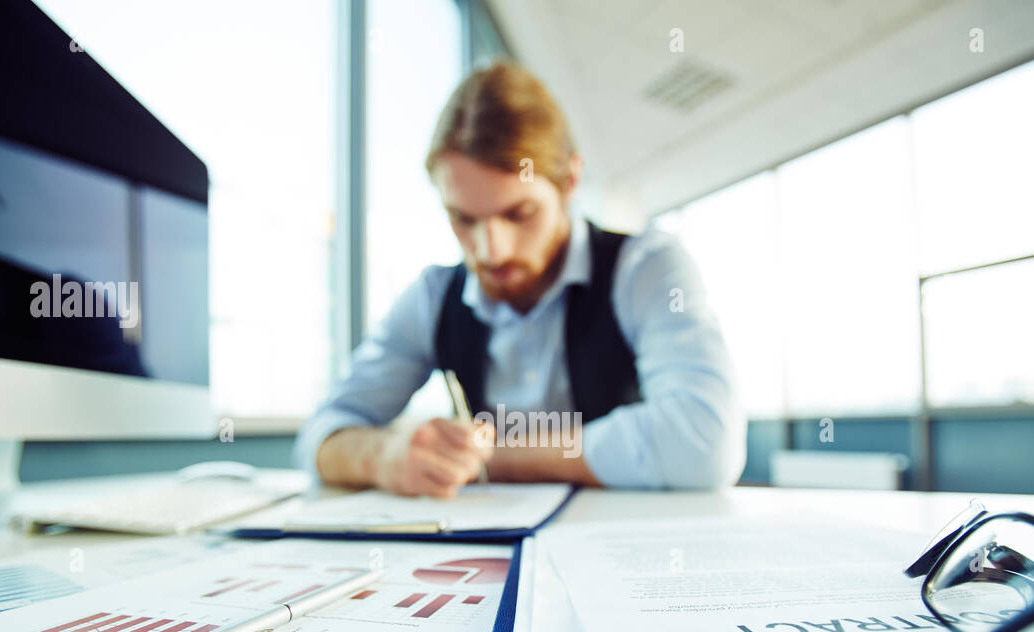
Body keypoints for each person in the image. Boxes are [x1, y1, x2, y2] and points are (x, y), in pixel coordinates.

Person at [295, 60, 744, 497]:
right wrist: (382, 455)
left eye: (518, 213)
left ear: (569, 181)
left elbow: (705, 442)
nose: (492, 251)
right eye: (463, 219)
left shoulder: (645, 267)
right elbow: (320, 434)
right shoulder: (432, 298)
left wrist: (487, 458)